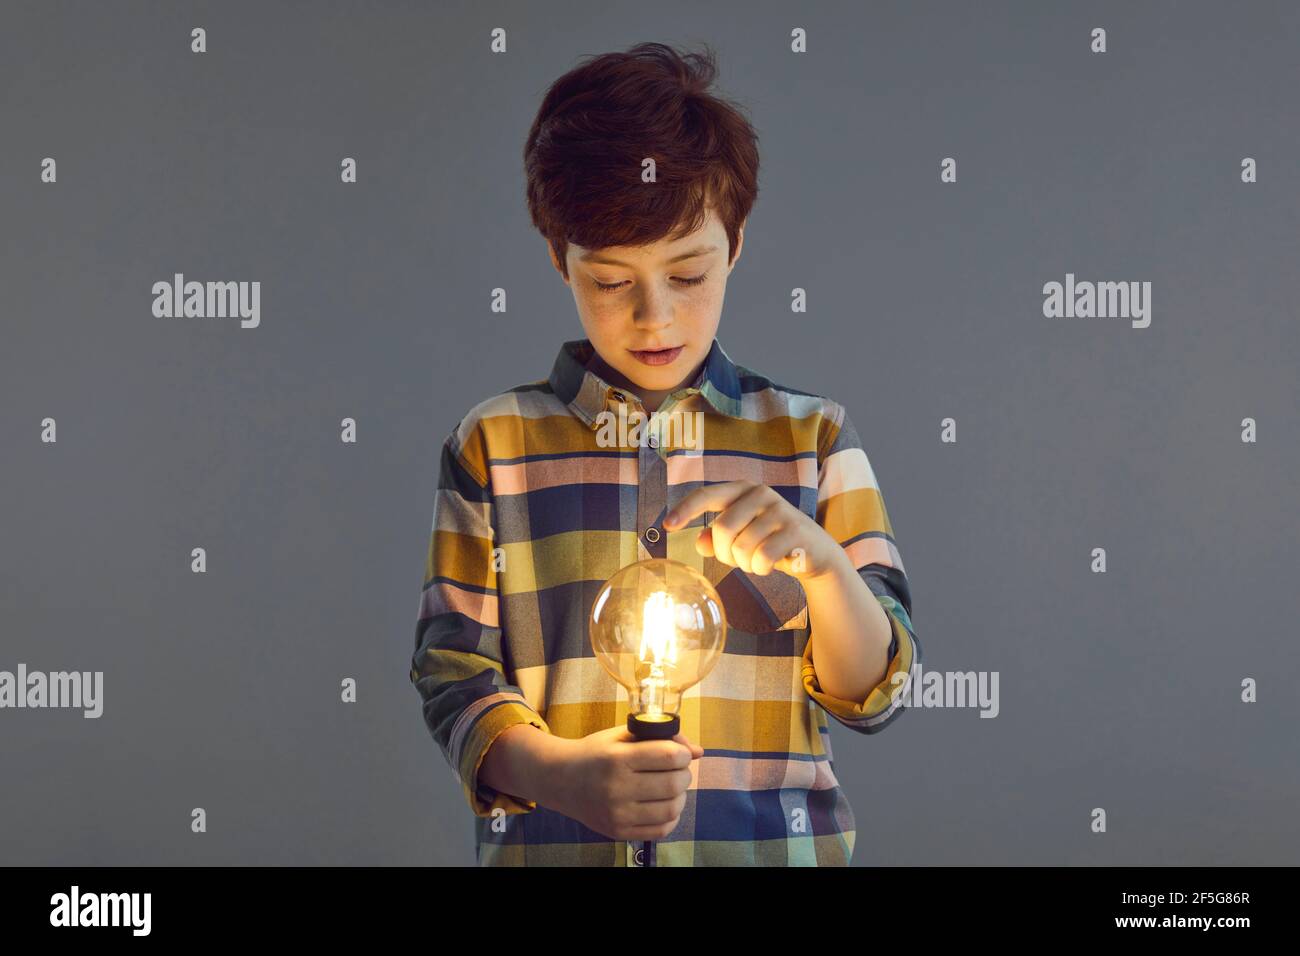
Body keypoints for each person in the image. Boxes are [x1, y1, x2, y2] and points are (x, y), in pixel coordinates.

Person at [410, 41, 920, 866]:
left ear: (738, 244)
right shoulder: (494, 445)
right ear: (558, 258)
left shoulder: (812, 439)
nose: (655, 319)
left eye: (688, 275)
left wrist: (824, 568)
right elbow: (453, 672)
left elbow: (878, 693)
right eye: (612, 282)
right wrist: (561, 775)